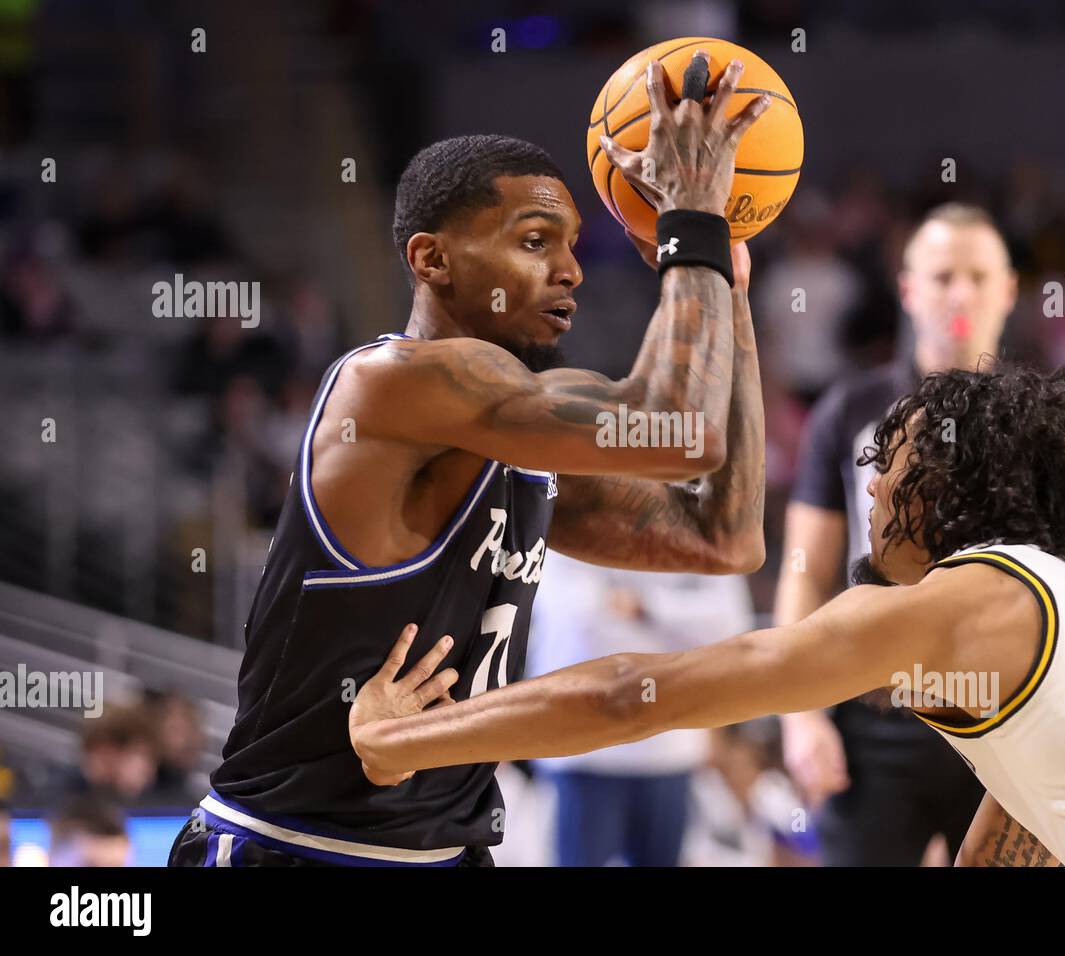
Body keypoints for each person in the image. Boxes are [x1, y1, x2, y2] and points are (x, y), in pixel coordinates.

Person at [169, 54, 769, 867]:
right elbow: (678, 432)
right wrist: (690, 219)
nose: (570, 270)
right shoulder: (394, 386)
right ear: (432, 261)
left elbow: (723, 539)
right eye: (533, 241)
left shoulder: (519, 436)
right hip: (299, 846)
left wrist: (726, 289)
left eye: (571, 245)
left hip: (445, 851)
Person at [351, 364, 1065, 867]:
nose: (872, 478)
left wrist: (414, 741)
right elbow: (1018, 839)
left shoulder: (965, 599)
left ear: (949, 490)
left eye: (893, 457)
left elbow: (637, 698)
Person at [777, 203, 1017, 865]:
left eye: (977, 274)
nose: (960, 292)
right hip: (877, 707)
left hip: (1008, 713)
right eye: (942, 276)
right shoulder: (850, 409)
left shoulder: (1042, 422)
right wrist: (800, 714)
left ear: (1009, 289)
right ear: (909, 290)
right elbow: (804, 567)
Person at [528, 550, 754, 866]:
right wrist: (674, 634)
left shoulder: (697, 526)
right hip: (583, 754)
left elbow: (729, 623)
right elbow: (578, 623)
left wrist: (645, 606)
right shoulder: (568, 521)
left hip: (670, 752)